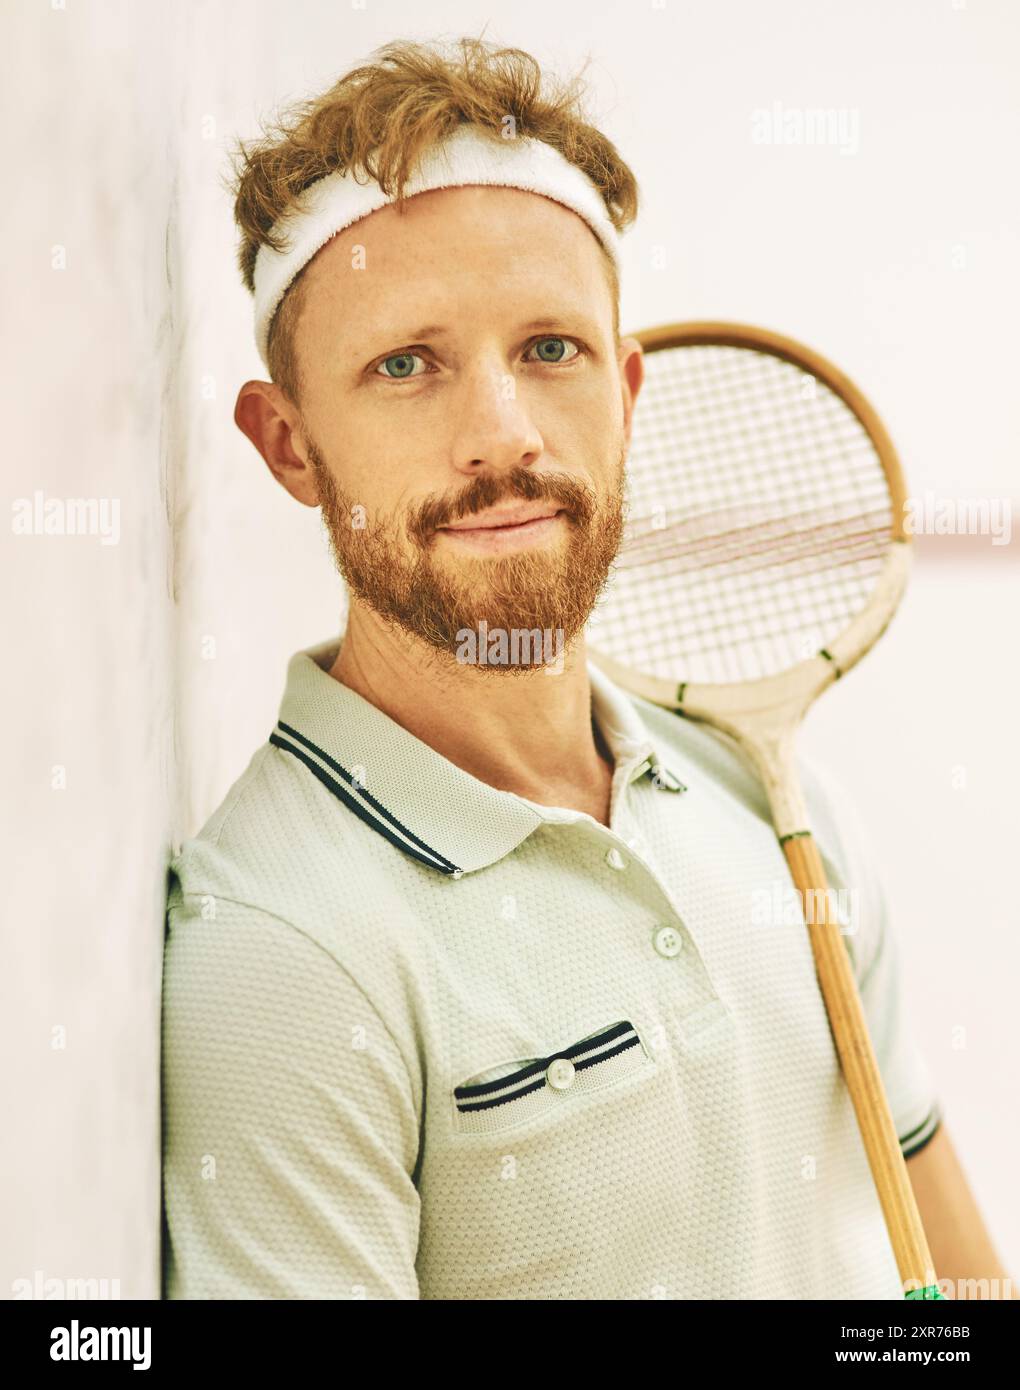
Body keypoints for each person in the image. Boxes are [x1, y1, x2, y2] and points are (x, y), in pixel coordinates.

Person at [161, 35, 1012, 1300]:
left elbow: (963, 1279)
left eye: (549, 349)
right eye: (407, 365)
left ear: (624, 391)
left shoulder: (779, 814)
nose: (501, 434)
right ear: (287, 445)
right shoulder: (279, 953)